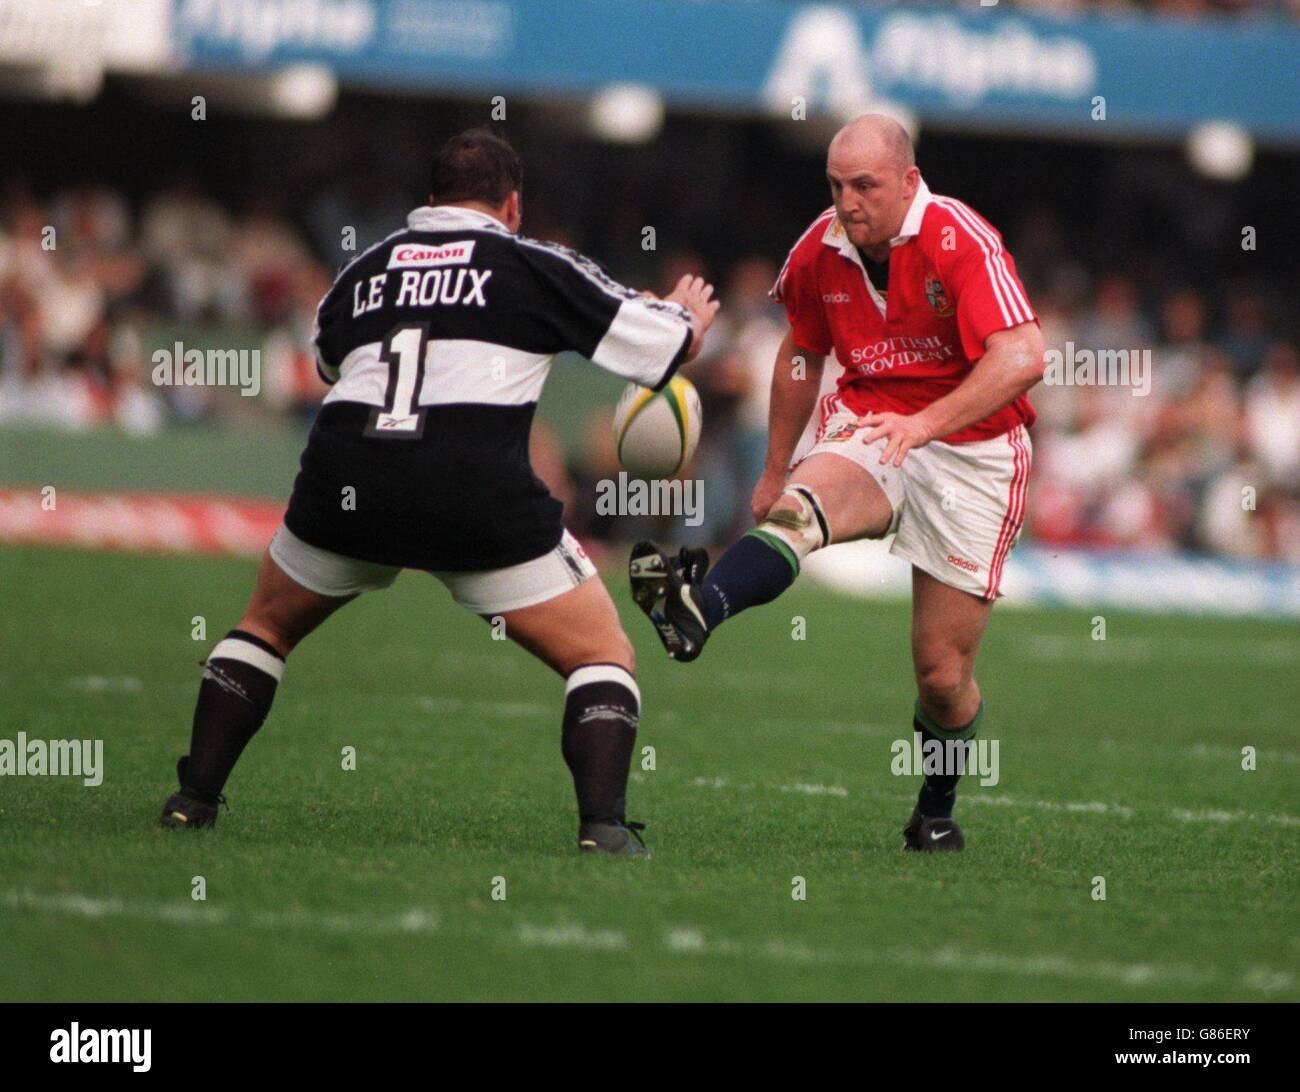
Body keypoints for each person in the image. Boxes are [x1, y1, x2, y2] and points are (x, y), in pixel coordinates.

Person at [159, 128, 719, 855]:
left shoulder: (366, 267)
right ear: (512, 205)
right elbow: (663, 348)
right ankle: (604, 828)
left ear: (428, 201)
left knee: (265, 625)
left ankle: (191, 800)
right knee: (601, 653)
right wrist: (686, 313)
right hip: (471, 488)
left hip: (348, 477)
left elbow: (329, 360)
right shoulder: (529, 261)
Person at [631, 114, 1043, 852]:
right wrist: (773, 466)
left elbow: (1022, 357)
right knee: (796, 514)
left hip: (973, 451)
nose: (847, 202)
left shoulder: (959, 238)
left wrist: (926, 426)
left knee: (942, 676)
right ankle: (698, 610)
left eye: (865, 185)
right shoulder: (820, 248)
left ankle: (935, 811)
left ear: (909, 183)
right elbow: (801, 351)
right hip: (874, 421)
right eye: (835, 184)